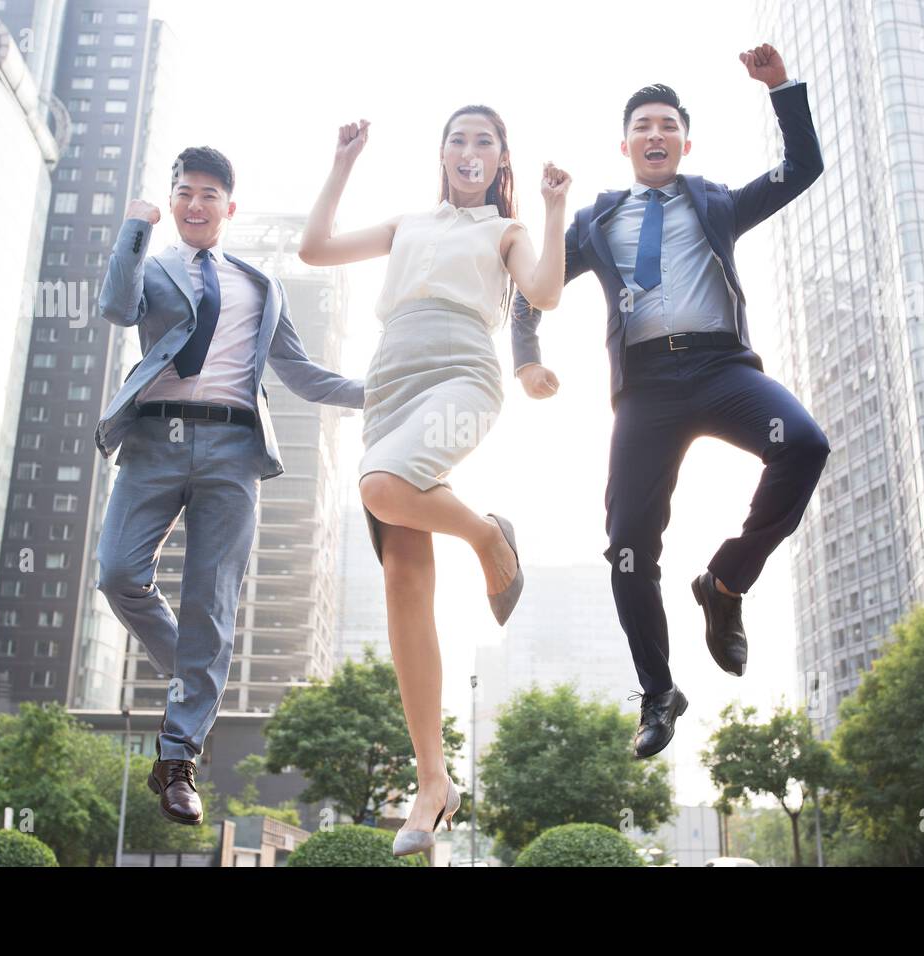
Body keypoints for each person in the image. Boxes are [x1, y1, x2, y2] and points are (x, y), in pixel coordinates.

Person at [513, 44, 829, 759]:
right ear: (623, 145)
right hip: (646, 390)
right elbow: (532, 289)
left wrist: (781, 88)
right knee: (628, 547)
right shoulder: (596, 221)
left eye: (667, 125)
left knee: (804, 442)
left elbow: (802, 168)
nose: (655, 136)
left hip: (720, 368)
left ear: (685, 140)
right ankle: (659, 693)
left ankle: (724, 583)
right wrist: (527, 359)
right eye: (642, 126)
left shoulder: (716, 201)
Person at [299, 109, 570, 856]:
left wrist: (552, 209)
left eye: (485, 140)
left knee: (382, 485)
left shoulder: (504, 232)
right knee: (403, 582)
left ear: (501, 157)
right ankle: (432, 782)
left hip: (462, 374)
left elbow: (543, 292)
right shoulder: (409, 221)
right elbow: (315, 247)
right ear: (442, 153)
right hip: (390, 382)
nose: (469, 150)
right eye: (458, 138)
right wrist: (343, 162)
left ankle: (488, 537)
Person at [94, 146, 365, 824]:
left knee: (211, 604)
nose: (194, 202)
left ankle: (178, 756)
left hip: (232, 450)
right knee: (119, 574)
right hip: (155, 439)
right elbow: (115, 306)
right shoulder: (153, 268)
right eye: (183, 191)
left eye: (207, 193)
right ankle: (195, 678)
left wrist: (380, 391)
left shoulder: (261, 286)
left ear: (228, 207)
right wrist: (134, 226)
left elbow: (304, 376)